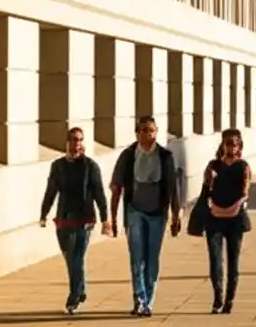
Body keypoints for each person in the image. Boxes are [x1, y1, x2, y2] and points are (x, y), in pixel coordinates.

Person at [109, 116, 182, 317]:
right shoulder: (128, 155)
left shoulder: (165, 157)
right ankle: (139, 299)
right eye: (142, 131)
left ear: (156, 132)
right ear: (137, 133)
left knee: (152, 259)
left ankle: (149, 300)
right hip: (135, 211)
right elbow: (117, 188)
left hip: (158, 213)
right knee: (136, 258)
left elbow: (173, 189)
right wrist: (113, 218)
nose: (146, 135)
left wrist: (176, 216)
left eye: (150, 131)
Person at [39, 127, 110, 314]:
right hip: (63, 218)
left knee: (76, 257)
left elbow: (99, 193)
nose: (76, 144)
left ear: (83, 143)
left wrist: (105, 219)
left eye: (79, 140)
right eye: (72, 140)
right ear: (67, 142)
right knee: (69, 257)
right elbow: (51, 191)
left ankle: (73, 297)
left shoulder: (90, 166)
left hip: (84, 218)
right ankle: (81, 289)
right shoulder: (58, 166)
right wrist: (43, 213)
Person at [204, 129, 252, 314]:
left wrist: (233, 208)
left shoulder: (243, 167)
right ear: (223, 145)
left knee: (233, 262)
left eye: (235, 143)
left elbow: (245, 192)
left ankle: (229, 299)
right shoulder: (213, 166)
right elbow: (206, 190)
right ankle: (217, 297)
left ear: (239, 146)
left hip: (235, 220)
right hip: (214, 219)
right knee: (215, 261)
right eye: (228, 143)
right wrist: (210, 180)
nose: (231, 146)